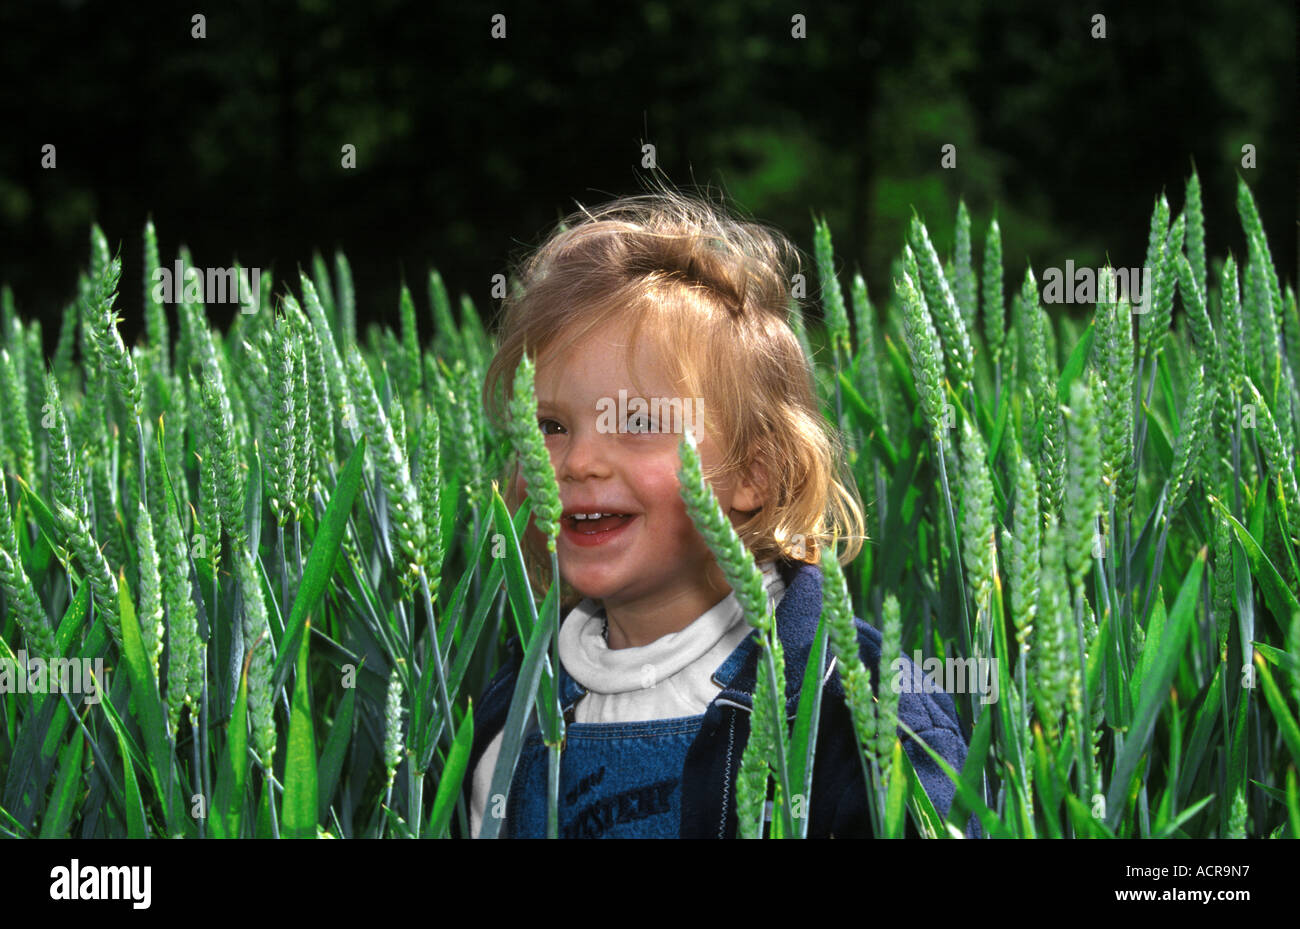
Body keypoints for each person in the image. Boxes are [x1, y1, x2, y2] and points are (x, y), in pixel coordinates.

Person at [463, 182, 975, 838]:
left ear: (754, 474)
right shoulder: (515, 712)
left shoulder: (858, 705)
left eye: (637, 420)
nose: (578, 461)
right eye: (551, 424)